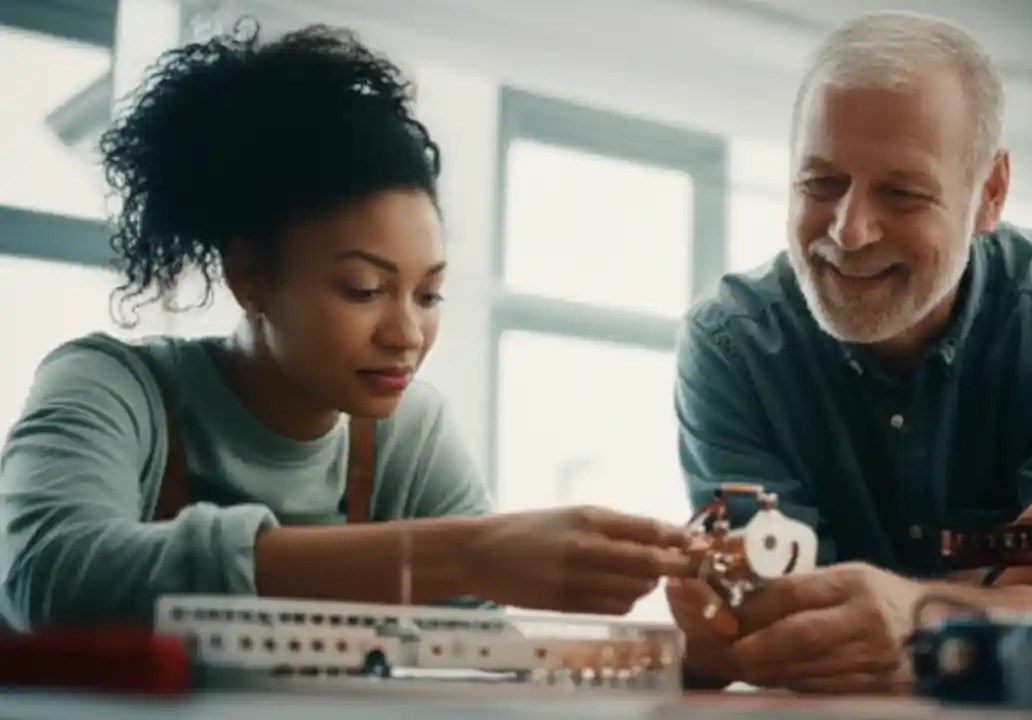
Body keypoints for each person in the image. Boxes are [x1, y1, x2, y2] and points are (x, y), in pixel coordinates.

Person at [0, 22, 689, 631]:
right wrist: (463, 554)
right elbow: (49, 575)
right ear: (251, 278)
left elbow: (475, 645)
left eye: (429, 294)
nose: (407, 334)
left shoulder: (409, 434)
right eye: (365, 289)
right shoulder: (111, 385)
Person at [667, 11, 1032, 693]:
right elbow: (770, 614)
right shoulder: (728, 343)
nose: (850, 231)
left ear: (990, 194)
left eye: (901, 192)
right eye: (820, 183)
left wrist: (913, 613)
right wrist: (989, 604)